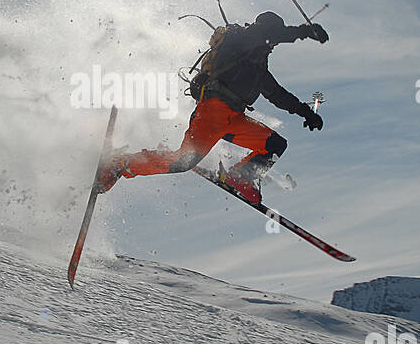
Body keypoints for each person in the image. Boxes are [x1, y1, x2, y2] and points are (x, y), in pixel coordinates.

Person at [97, 11, 328, 204]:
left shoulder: (257, 66)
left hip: (234, 119)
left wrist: (306, 112)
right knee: (182, 162)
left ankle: (240, 177)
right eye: (275, 38)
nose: (275, 44)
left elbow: (277, 94)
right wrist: (304, 32)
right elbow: (267, 34)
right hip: (213, 111)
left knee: (276, 144)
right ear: (266, 30)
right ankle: (121, 163)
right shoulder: (241, 39)